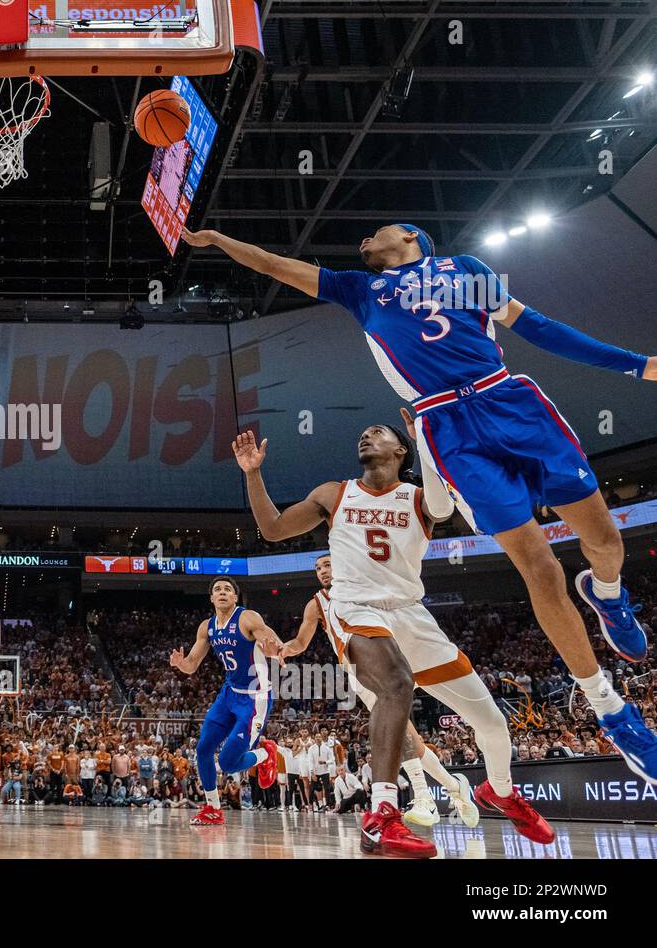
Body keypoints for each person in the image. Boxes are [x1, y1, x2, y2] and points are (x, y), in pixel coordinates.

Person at [182, 222, 657, 784]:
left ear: (411, 235)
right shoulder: (361, 290)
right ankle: (609, 708)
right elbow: (274, 265)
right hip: (446, 425)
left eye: (372, 232)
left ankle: (607, 593)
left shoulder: (468, 269)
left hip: (507, 396)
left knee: (604, 540)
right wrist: (219, 241)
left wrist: (638, 364)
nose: (362, 240)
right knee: (540, 565)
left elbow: (537, 327)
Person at [237, 425, 551, 854]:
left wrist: (427, 442)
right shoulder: (334, 493)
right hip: (357, 608)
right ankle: (382, 815)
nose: (365, 436)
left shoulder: (419, 497)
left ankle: (499, 790)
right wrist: (253, 473)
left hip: (411, 614)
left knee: (493, 723)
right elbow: (273, 529)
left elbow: (442, 507)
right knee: (397, 684)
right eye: (363, 434)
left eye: (378, 433)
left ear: (401, 449)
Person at [285, 554, 480, 828]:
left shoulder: (363, 586)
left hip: (385, 662)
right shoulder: (316, 603)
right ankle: (455, 787)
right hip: (357, 673)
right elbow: (300, 642)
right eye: (318, 568)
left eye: (328, 564)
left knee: (397, 731)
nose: (322, 571)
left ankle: (424, 797)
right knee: (411, 741)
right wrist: (284, 648)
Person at [171, 576, 283, 827]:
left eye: (228, 589)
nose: (222, 592)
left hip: (255, 698)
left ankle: (266, 753)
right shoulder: (207, 627)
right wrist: (181, 664)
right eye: (217, 589)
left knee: (228, 763)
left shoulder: (247, 618)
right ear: (211, 598)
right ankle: (212, 808)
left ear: (235, 596)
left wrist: (276, 648)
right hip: (229, 694)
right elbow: (191, 665)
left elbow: (270, 638)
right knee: (202, 749)